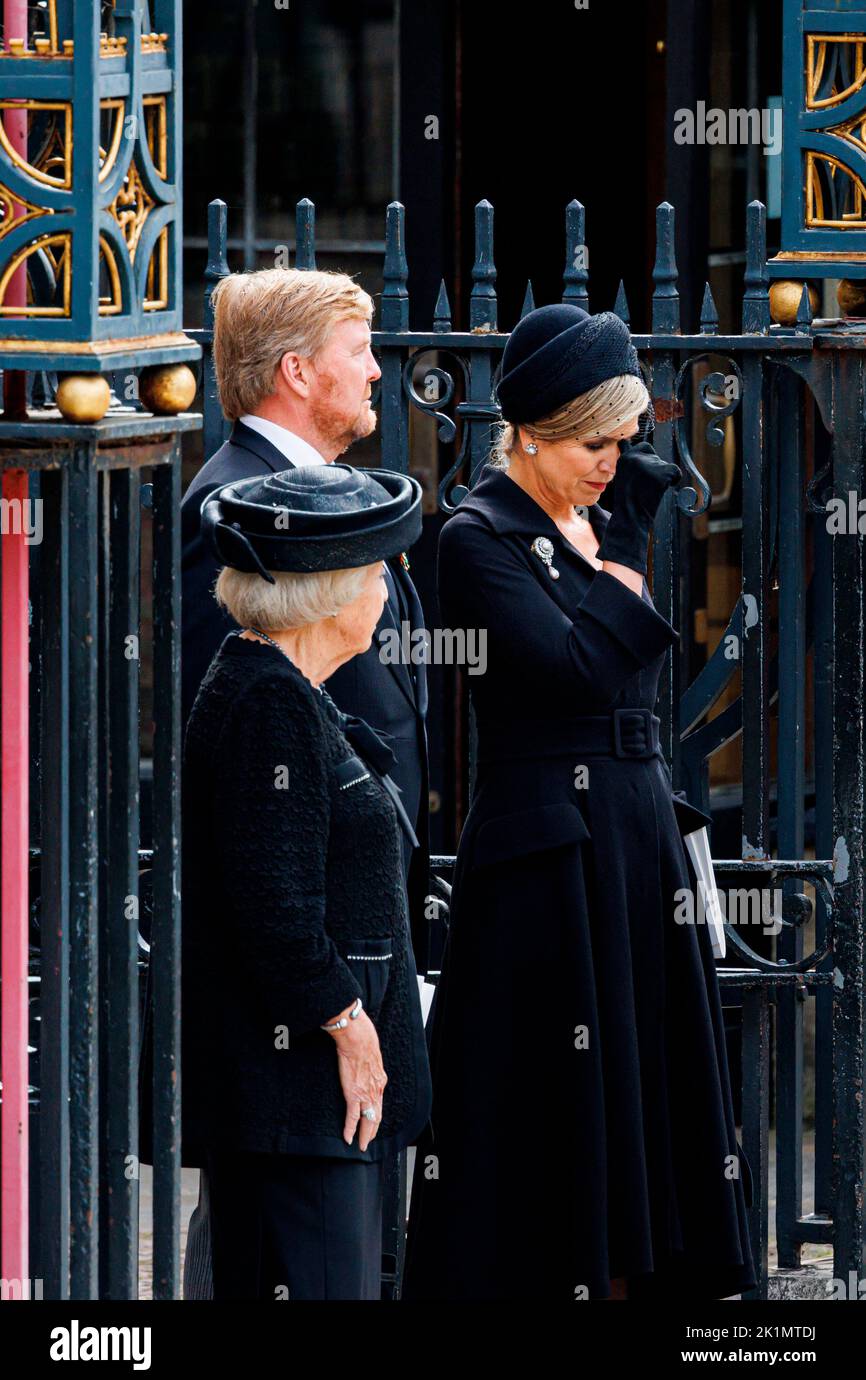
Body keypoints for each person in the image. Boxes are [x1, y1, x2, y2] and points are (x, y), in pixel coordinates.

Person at [401, 305, 757, 1302]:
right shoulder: (477, 536)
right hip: (547, 854)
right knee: (556, 1107)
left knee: (645, 1085)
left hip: (632, 832)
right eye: (593, 442)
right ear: (534, 430)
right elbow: (574, 672)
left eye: (621, 443)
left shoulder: (587, 522)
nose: (611, 463)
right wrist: (631, 554)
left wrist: (613, 543)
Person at [175, 267, 432, 1299]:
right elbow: (247, 808)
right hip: (293, 1020)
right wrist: (337, 1008)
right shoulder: (230, 509)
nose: (377, 371)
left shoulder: (320, 499)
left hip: (330, 964)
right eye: (356, 351)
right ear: (294, 370)